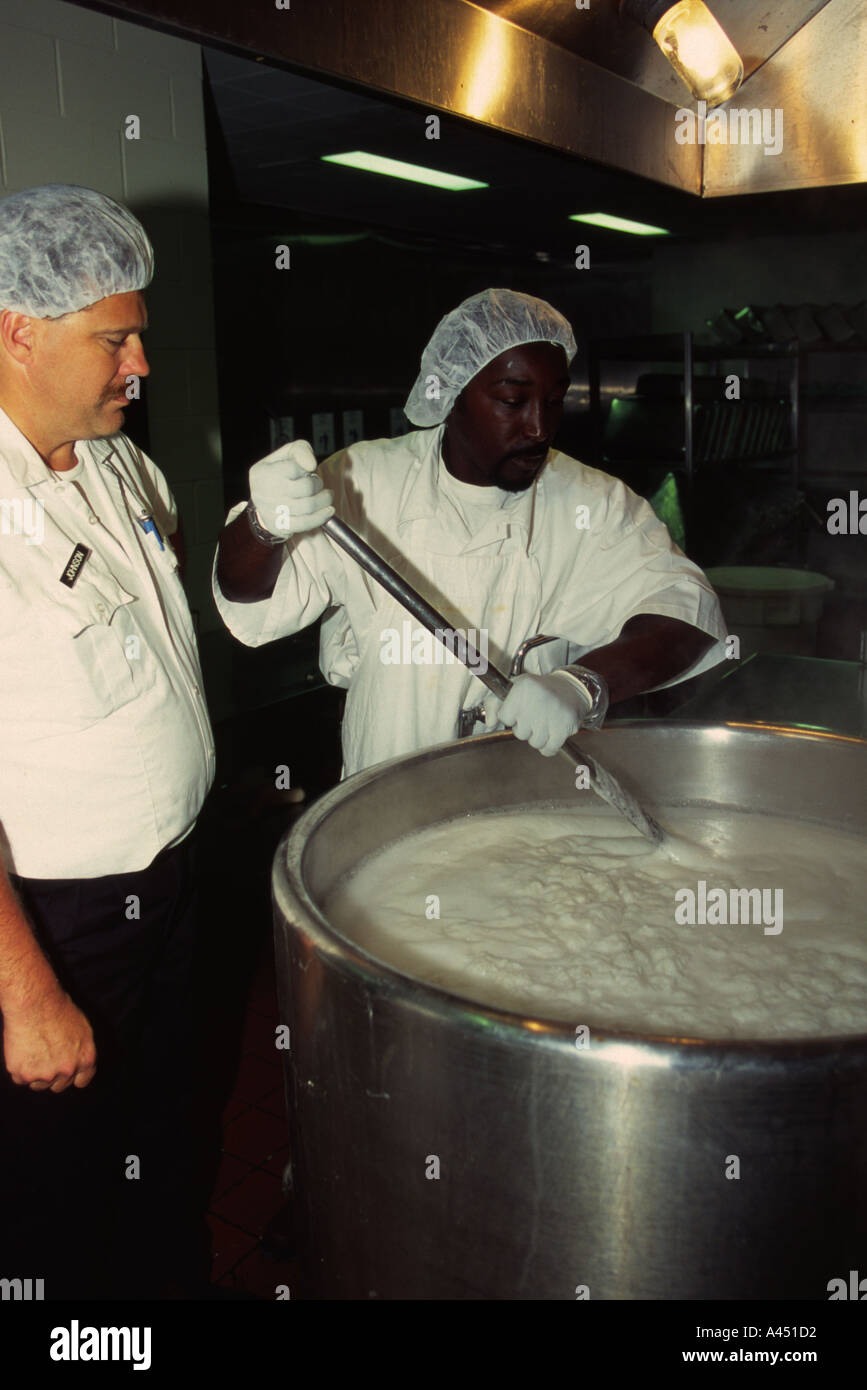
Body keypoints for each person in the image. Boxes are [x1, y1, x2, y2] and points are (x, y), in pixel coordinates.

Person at [214, 288, 726, 775]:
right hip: (389, 789)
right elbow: (252, 599)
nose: (539, 428)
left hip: (530, 799)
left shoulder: (591, 503)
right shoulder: (363, 482)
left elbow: (688, 610)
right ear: (452, 394)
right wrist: (262, 527)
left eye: (553, 401)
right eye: (512, 400)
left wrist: (583, 683)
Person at [0, 184, 215, 1298]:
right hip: (54, 918)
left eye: (139, 333)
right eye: (112, 337)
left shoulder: (112, 453)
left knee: (156, 1134)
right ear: (16, 330)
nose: (139, 364)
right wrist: (25, 995)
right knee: (48, 1186)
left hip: (166, 879)